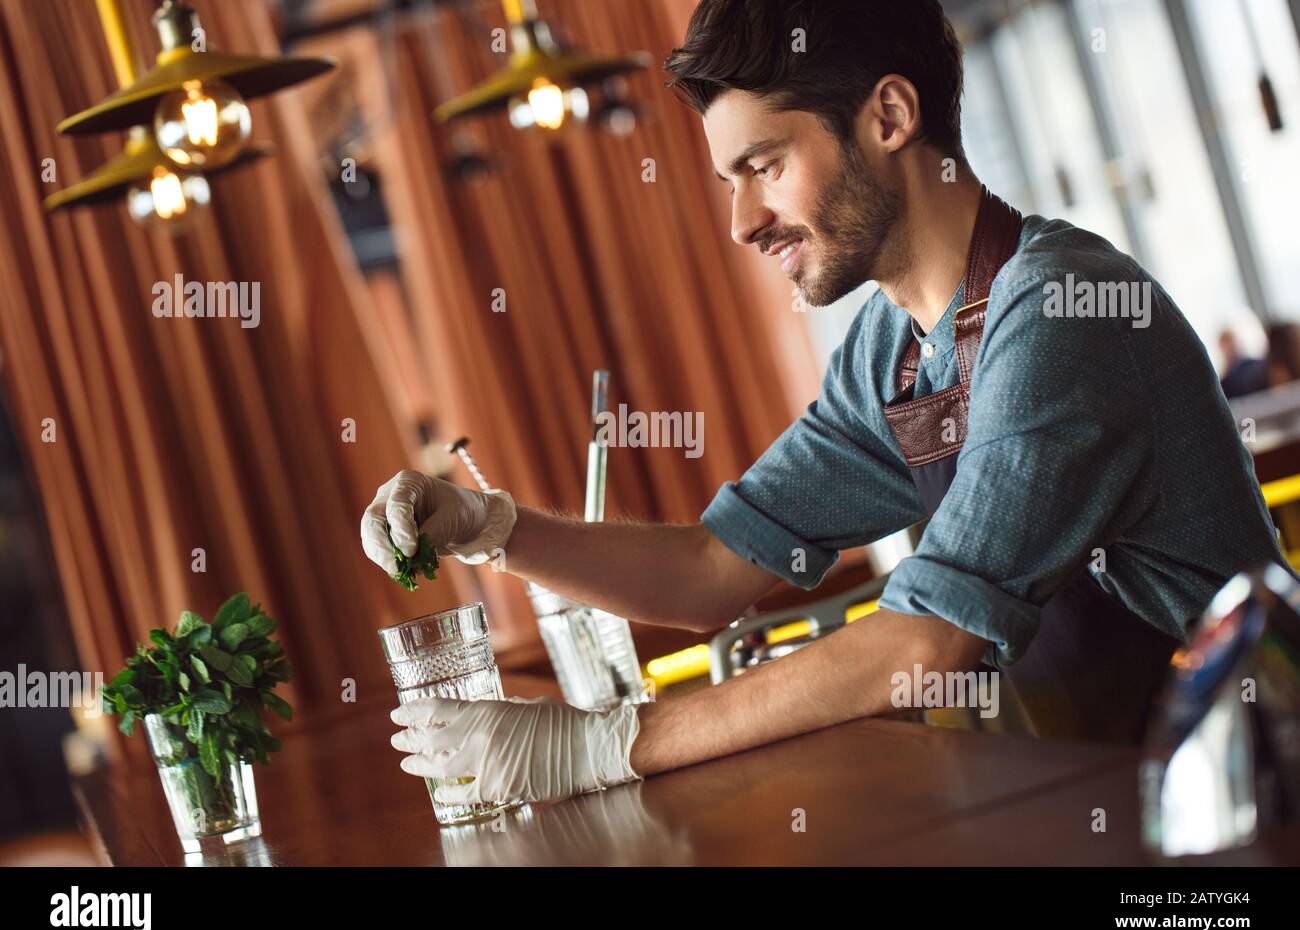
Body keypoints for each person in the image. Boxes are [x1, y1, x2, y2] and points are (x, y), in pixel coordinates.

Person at [363, 0, 1286, 810]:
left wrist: (601, 745)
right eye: (732, 180)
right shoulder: (891, 350)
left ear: (888, 114)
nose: (742, 221)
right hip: (1077, 799)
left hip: (1235, 805)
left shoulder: (1059, 314)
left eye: (762, 165)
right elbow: (709, 571)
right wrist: (493, 529)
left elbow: (924, 647)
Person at [1218, 329, 1269, 398]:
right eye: (1227, 346)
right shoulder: (1224, 383)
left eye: (1232, 344)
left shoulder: (1255, 365)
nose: (1230, 350)